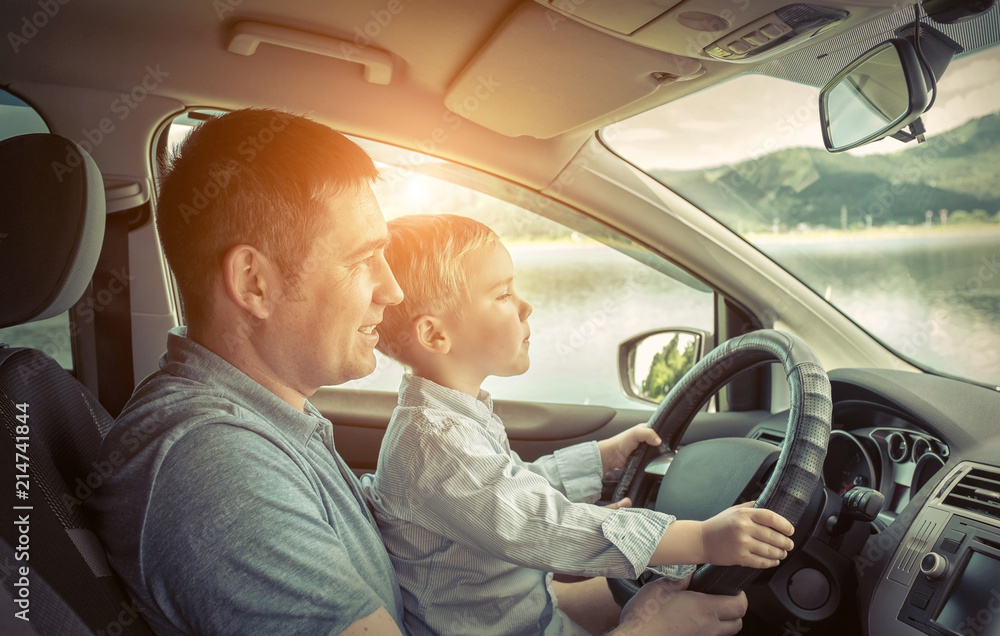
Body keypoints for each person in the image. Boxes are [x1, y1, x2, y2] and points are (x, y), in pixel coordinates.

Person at [87, 108, 754, 636]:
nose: (393, 292)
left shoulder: (271, 422)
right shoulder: (216, 473)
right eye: (362, 259)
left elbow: (438, 510)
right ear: (254, 284)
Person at [362, 214, 797, 636]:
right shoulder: (435, 442)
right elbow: (537, 524)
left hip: (532, 612)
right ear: (436, 336)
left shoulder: (453, 417)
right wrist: (701, 540)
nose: (526, 305)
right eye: (502, 295)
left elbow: (512, 489)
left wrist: (601, 458)